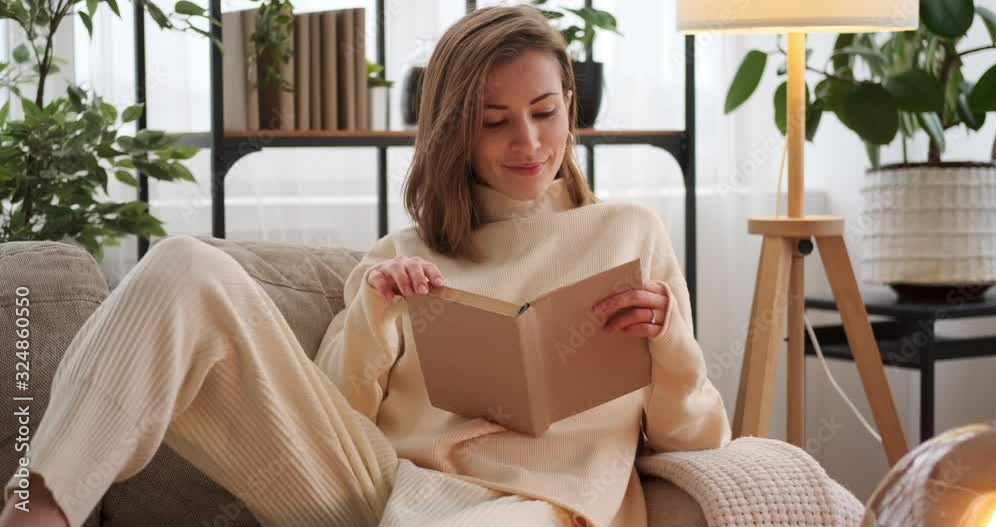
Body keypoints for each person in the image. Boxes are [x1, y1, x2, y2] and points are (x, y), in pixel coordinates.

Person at [0, 5, 730, 527]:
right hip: (378, 489)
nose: (529, 141)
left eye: (545, 111)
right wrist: (379, 315)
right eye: (495, 121)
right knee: (182, 263)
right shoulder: (401, 255)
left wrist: (667, 342)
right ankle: (39, 505)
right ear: (455, 130)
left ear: (570, 106)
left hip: (544, 506)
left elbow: (697, 440)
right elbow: (331, 415)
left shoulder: (630, 234)